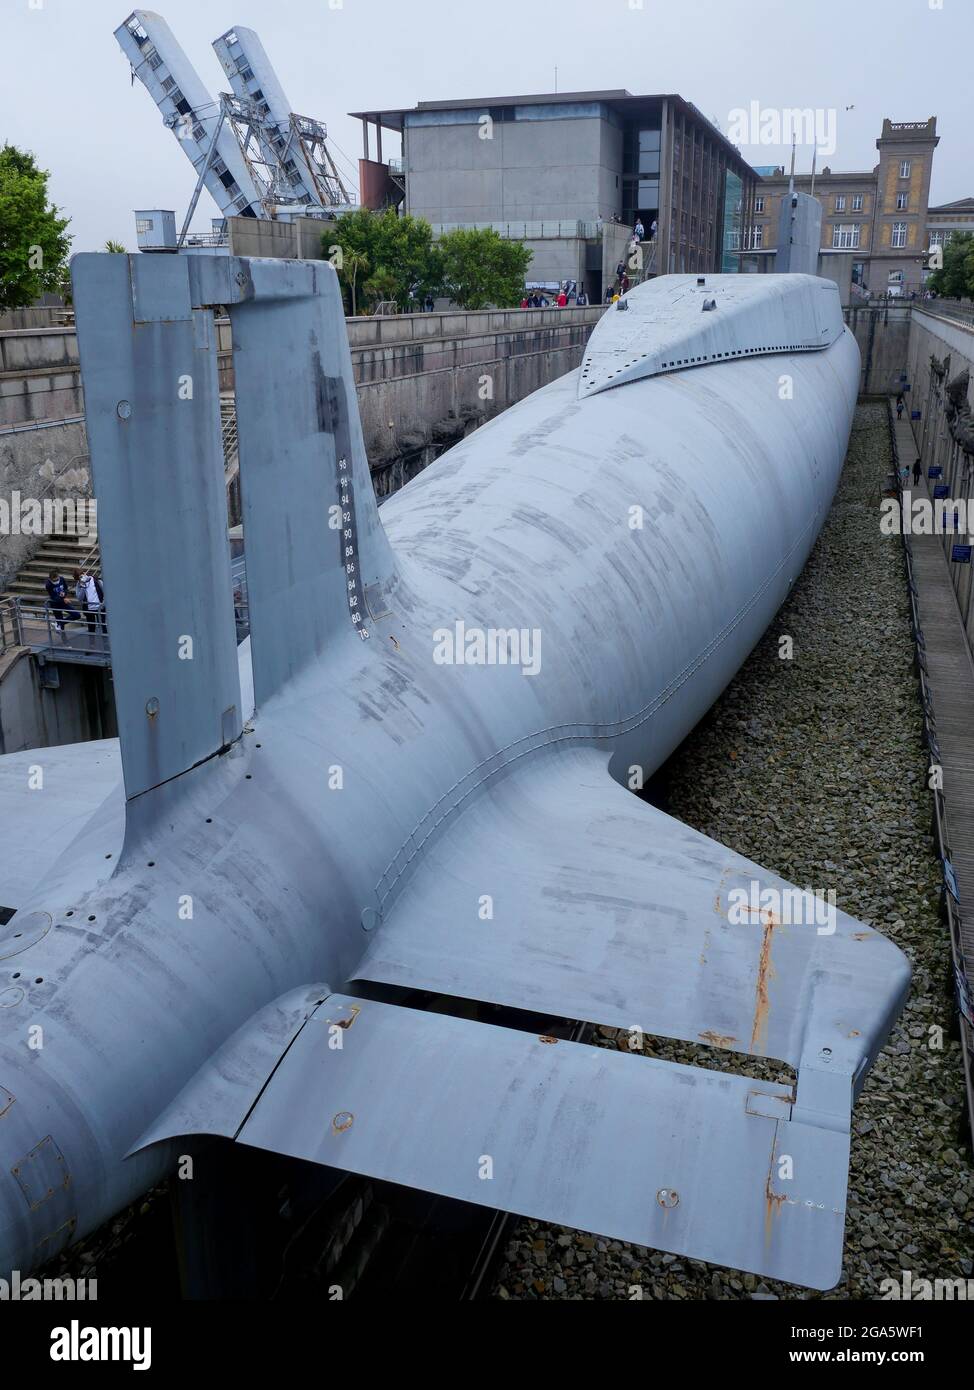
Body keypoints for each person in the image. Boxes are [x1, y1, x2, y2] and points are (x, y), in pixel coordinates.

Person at [44, 569, 80, 636]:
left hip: (64, 602)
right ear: (50, 579)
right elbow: (53, 596)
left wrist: (64, 594)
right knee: (62, 628)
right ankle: (65, 643)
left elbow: (66, 588)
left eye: (57, 579)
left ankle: (59, 624)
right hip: (55, 604)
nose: (56, 582)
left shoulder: (62, 579)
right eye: (54, 581)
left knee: (77, 615)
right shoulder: (48, 584)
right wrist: (62, 598)